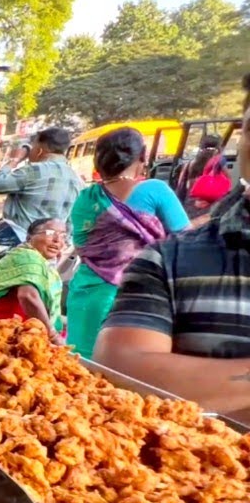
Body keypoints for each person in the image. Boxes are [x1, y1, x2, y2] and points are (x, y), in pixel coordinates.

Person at [94, 74, 250, 421]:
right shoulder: (168, 257)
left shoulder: (88, 196)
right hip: (120, 289)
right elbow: (121, 370)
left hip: (89, 286)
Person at [65, 127, 190, 356]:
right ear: (142, 156)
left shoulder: (86, 197)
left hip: (86, 291)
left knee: (77, 364)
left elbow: (81, 243)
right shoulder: (155, 190)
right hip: (134, 294)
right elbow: (185, 240)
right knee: (118, 373)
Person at [0, 218, 67, 343]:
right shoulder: (27, 257)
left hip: (16, 332)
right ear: (30, 237)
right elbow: (27, 296)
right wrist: (52, 336)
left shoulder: (41, 263)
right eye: (50, 233)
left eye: (63, 236)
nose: (57, 240)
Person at [0, 127, 84, 242]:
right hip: (50, 247)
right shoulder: (76, 179)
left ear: (40, 149)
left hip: (21, 243)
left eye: (33, 146)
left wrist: (15, 159)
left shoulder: (33, 171)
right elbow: (71, 223)